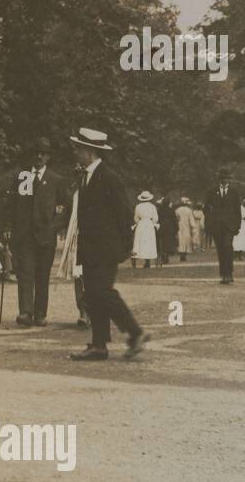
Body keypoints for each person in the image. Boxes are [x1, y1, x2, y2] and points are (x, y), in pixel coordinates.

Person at [66, 128, 146, 361]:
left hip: (105, 248)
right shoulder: (86, 176)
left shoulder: (109, 177)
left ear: (89, 151)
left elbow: (123, 213)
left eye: (79, 149)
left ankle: (135, 332)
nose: (76, 153)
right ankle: (99, 345)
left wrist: (125, 246)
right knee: (92, 294)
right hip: (91, 248)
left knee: (102, 292)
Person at [8, 137, 66, 326]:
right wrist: (9, 228)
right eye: (36, 153)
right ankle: (25, 312)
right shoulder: (22, 177)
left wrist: (54, 227)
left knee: (42, 275)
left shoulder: (56, 180)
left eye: (43, 153)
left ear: (48, 157)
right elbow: (12, 205)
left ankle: (40, 313)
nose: (39, 156)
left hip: (45, 236)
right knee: (25, 274)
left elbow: (65, 207)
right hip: (25, 236)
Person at [56, 163, 90, 329]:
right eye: (77, 174)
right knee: (78, 276)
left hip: (92, 238)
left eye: (82, 174)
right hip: (76, 237)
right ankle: (83, 312)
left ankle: (92, 311)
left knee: (91, 276)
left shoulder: (96, 193)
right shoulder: (73, 195)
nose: (80, 177)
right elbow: (66, 215)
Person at [204, 167, 242, 284]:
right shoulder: (212, 191)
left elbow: (237, 210)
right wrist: (210, 223)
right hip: (216, 226)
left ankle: (229, 273)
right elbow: (206, 209)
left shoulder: (234, 192)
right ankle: (223, 274)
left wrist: (237, 225)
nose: (224, 181)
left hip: (229, 226)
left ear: (228, 179)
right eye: (222, 179)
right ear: (219, 179)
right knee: (221, 249)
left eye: (226, 178)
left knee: (227, 247)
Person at [131, 191, 159, 269]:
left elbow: (135, 218)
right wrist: (152, 223)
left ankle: (136, 256)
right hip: (149, 225)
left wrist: (139, 222)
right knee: (149, 242)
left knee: (139, 242)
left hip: (141, 224)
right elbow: (155, 218)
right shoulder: (152, 207)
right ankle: (148, 261)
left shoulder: (138, 206)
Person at [174, 197, 196, 261]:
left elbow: (176, 218)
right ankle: (184, 254)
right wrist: (193, 226)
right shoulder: (189, 210)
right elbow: (191, 219)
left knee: (180, 240)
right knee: (186, 239)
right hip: (186, 225)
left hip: (179, 225)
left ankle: (181, 253)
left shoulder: (177, 210)